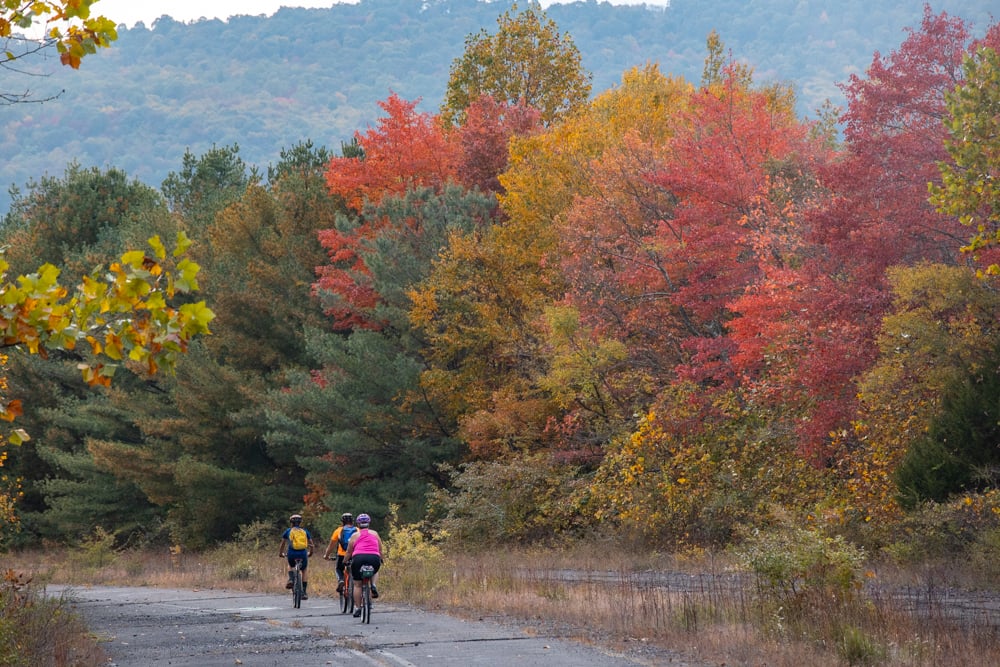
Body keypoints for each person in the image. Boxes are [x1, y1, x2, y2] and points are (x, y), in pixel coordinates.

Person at [343, 512, 383, 617]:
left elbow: (349, 552)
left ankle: (358, 608)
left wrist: (344, 561)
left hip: (358, 558)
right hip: (374, 557)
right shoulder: (375, 534)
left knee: (357, 585)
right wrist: (381, 559)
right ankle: (373, 585)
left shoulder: (355, 535)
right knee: (375, 570)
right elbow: (380, 549)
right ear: (369, 523)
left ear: (358, 524)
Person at [278, 513, 315, 600]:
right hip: (303, 553)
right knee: (304, 570)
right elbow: (311, 545)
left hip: (292, 553)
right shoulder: (305, 531)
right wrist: (311, 553)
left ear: (291, 522)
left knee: (290, 565)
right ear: (300, 522)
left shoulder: (288, 531)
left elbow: (282, 544)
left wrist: (280, 553)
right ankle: (304, 592)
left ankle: (291, 579)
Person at [322, 512, 357, 593]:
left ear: (342, 521)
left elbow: (331, 546)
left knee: (338, 569)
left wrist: (326, 555)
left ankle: (341, 580)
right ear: (352, 521)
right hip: (354, 554)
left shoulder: (338, 530)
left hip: (342, 555)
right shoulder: (357, 530)